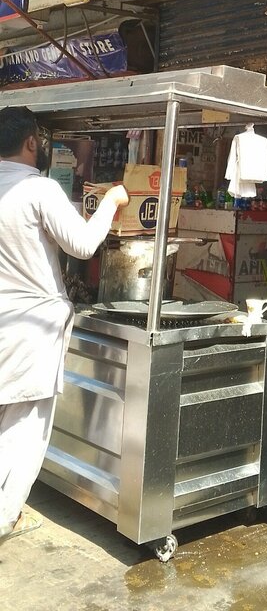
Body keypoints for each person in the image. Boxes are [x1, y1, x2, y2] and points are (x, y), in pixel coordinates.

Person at [0, 106, 128, 541]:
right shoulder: (39, 188)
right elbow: (83, 244)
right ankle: (6, 516)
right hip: (28, 329)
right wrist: (111, 200)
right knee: (25, 428)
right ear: (32, 143)